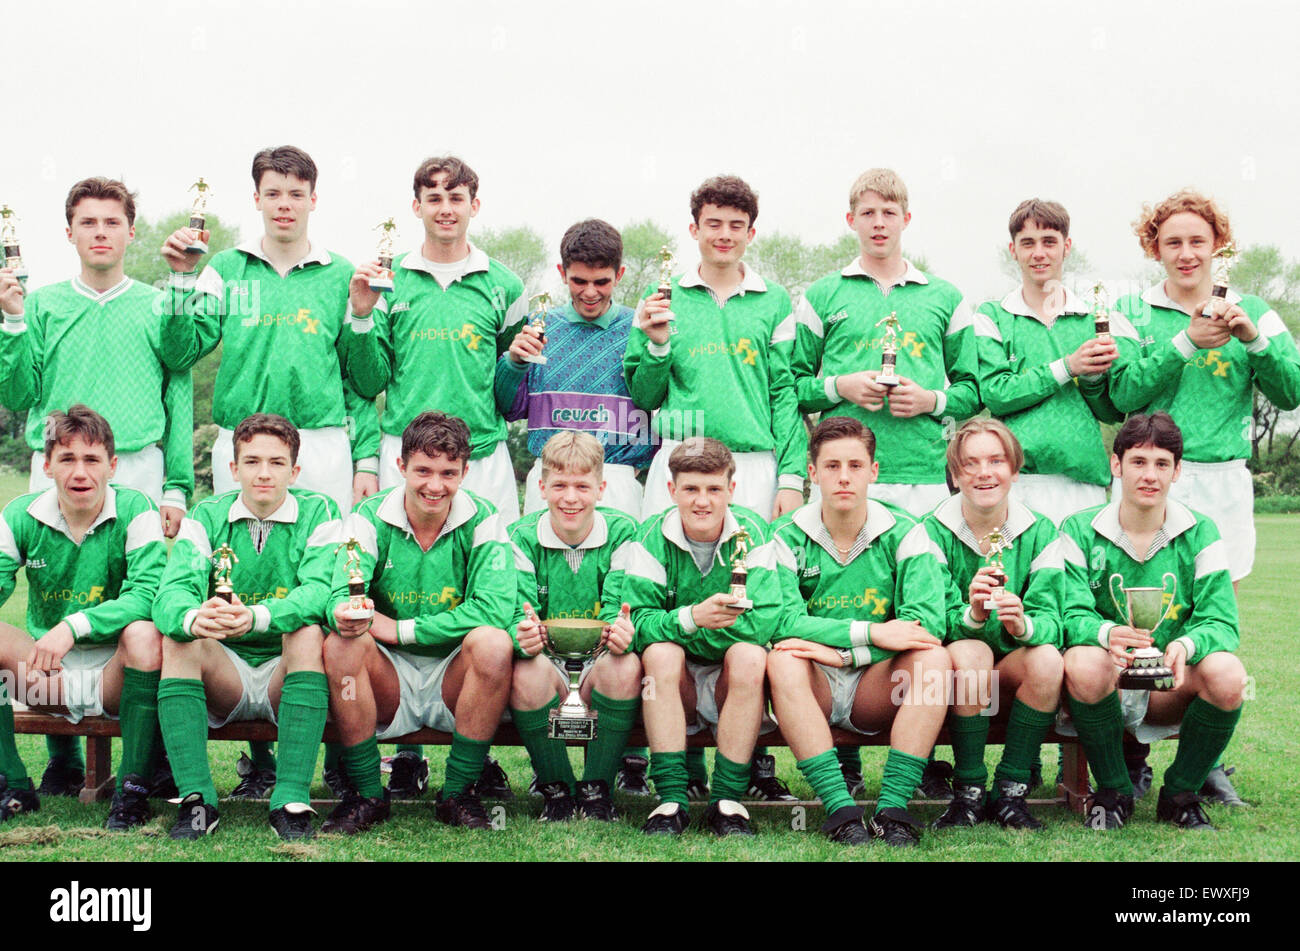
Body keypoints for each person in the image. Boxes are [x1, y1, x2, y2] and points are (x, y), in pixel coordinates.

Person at [0, 176, 194, 795]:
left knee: (144, 610)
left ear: (130, 232)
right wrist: (8, 322)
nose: (101, 232)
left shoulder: (158, 301)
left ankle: (147, 757)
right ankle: (61, 756)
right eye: (89, 222)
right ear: (70, 233)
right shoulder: (42, 302)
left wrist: (178, 485)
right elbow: (18, 393)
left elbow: (180, 384)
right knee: (56, 596)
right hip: (61, 461)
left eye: (113, 222)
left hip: (136, 462)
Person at [1109, 188, 1300, 804]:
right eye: (1173, 243)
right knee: (1141, 617)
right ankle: (1131, 752)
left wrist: (1253, 340)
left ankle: (1203, 761)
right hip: (1153, 477)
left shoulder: (1254, 309)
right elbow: (1121, 392)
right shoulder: (1133, 311)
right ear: (1154, 249)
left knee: (1210, 624)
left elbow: (1292, 390)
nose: (1187, 254)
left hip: (1223, 480)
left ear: (1219, 245)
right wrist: (1187, 342)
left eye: (1198, 241)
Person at [321, 411, 516, 833]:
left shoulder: (484, 517)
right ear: (401, 466)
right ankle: (369, 793)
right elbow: (341, 593)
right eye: (423, 470)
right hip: (386, 674)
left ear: (465, 472)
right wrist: (346, 614)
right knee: (341, 643)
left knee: (494, 643)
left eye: (448, 473)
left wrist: (403, 629)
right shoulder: (367, 516)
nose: (435, 485)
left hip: (454, 677)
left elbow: (495, 608)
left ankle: (459, 793)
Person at [152, 414, 340, 840]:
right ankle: (198, 801)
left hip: (283, 671)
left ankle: (290, 799)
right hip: (227, 674)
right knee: (179, 637)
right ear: (233, 469)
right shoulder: (204, 515)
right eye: (252, 461)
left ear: (294, 470)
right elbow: (171, 592)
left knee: (308, 630)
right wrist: (194, 617)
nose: (263, 473)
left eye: (276, 463)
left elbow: (319, 593)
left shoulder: (320, 511)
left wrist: (257, 616)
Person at [161, 145, 375, 518]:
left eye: (296, 195)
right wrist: (181, 277)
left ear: (313, 200)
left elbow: (358, 379)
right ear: (257, 199)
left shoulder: (342, 275)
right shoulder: (226, 268)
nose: (284, 205)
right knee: (237, 566)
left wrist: (367, 458)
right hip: (242, 444)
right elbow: (180, 353)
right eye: (273, 194)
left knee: (324, 562)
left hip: (320, 444)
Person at [767, 416, 952, 847]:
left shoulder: (908, 531)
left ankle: (892, 809)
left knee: (934, 658)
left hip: (875, 683)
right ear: (812, 473)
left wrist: (849, 653)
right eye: (831, 466)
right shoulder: (782, 535)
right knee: (782, 658)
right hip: (813, 684)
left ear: (874, 471)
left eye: (854, 465)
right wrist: (871, 631)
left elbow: (926, 624)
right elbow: (779, 622)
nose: (844, 477)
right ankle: (841, 811)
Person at [1058, 412, 1245, 830]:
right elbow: (1067, 614)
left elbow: (1222, 622)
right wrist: (1107, 634)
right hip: (1105, 682)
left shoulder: (1202, 531)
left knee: (1228, 673)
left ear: (1177, 471)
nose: (1150, 475)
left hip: (1169, 683)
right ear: (1116, 464)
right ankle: (1114, 790)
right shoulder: (1078, 529)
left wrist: (1185, 646)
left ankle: (1180, 793)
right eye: (1138, 462)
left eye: (1162, 464)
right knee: (1082, 662)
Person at [0, 406, 166, 830]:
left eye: (91, 460)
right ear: (47, 465)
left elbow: (148, 594)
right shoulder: (19, 514)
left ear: (111, 465)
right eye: (67, 459)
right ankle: (13, 785)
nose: (80, 472)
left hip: (118, 675)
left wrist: (74, 626)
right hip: (44, 677)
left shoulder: (138, 508)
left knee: (145, 633)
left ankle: (132, 791)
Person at [345, 155, 527, 522]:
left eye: (456, 198)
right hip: (407, 456)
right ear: (417, 206)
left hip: (483, 455)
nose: (446, 209)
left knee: (491, 565)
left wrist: (515, 363)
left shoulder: (507, 286)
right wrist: (361, 314)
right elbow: (368, 382)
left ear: (474, 205)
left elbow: (509, 386)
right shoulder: (387, 280)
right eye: (434, 198)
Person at [791, 167, 980, 517]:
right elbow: (793, 387)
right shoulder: (821, 295)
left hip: (922, 477)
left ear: (906, 219)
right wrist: (839, 387)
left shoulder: (946, 297)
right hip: (843, 474)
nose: (879, 223)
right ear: (851, 220)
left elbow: (972, 391)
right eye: (868, 213)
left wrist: (929, 400)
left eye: (889, 213)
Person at [621, 437, 784, 837]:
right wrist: (693, 619)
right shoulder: (650, 537)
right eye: (691, 489)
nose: (702, 501)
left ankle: (727, 801)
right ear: (671, 490)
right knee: (660, 654)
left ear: (732, 489)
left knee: (750, 655)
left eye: (714, 489)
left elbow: (765, 621)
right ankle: (671, 799)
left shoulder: (755, 531)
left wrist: (690, 631)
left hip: (733, 678)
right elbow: (637, 622)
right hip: (675, 682)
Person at [623, 175, 806, 520]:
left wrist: (792, 477)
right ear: (694, 229)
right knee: (668, 572)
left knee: (750, 572)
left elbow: (783, 393)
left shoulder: (776, 300)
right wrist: (659, 347)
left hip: (752, 466)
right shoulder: (658, 295)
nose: (725, 234)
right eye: (714, 224)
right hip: (681, 460)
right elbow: (644, 398)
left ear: (750, 233)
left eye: (736, 225)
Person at [923, 419, 1065, 831]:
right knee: (972, 651)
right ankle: (967, 791)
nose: (984, 472)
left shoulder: (1040, 530)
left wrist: (1023, 625)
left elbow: (1055, 620)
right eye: (970, 463)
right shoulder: (931, 530)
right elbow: (931, 621)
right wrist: (973, 616)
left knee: (1047, 660)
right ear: (955, 475)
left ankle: (1012, 791)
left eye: (996, 460)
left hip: (1013, 669)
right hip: (957, 673)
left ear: (1015, 469)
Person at [507, 431, 641, 822]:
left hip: (599, 662)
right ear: (541, 486)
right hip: (548, 664)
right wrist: (524, 633)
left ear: (600, 488)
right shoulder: (520, 535)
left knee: (626, 665)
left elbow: (620, 605)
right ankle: (557, 789)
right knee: (525, 669)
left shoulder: (624, 531)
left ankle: (597, 790)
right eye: (560, 485)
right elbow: (520, 609)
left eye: (582, 486)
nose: (570, 497)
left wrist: (621, 631)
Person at [974, 199, 1123, 525]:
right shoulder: (992, 316)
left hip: (1083, 483)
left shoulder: (1093, 318)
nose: (1038, 253)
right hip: (1015, 482)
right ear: (1013, 250)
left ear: (1066, 247)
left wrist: (1094, 379)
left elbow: (1110, 413)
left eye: (1049, 242)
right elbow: (996, 393)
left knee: (1077, 577)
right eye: (1027, 243)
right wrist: (1068, 366)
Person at [496, 219, 652, 517]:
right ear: (562, 274)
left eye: (601, 282)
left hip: (616, 477)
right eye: (579, 281)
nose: (590, 292)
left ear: (619, 275)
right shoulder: (537, 327)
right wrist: (513, 364)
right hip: (549, 478)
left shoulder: (640, 330)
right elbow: (509, 409)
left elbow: (655, 402)